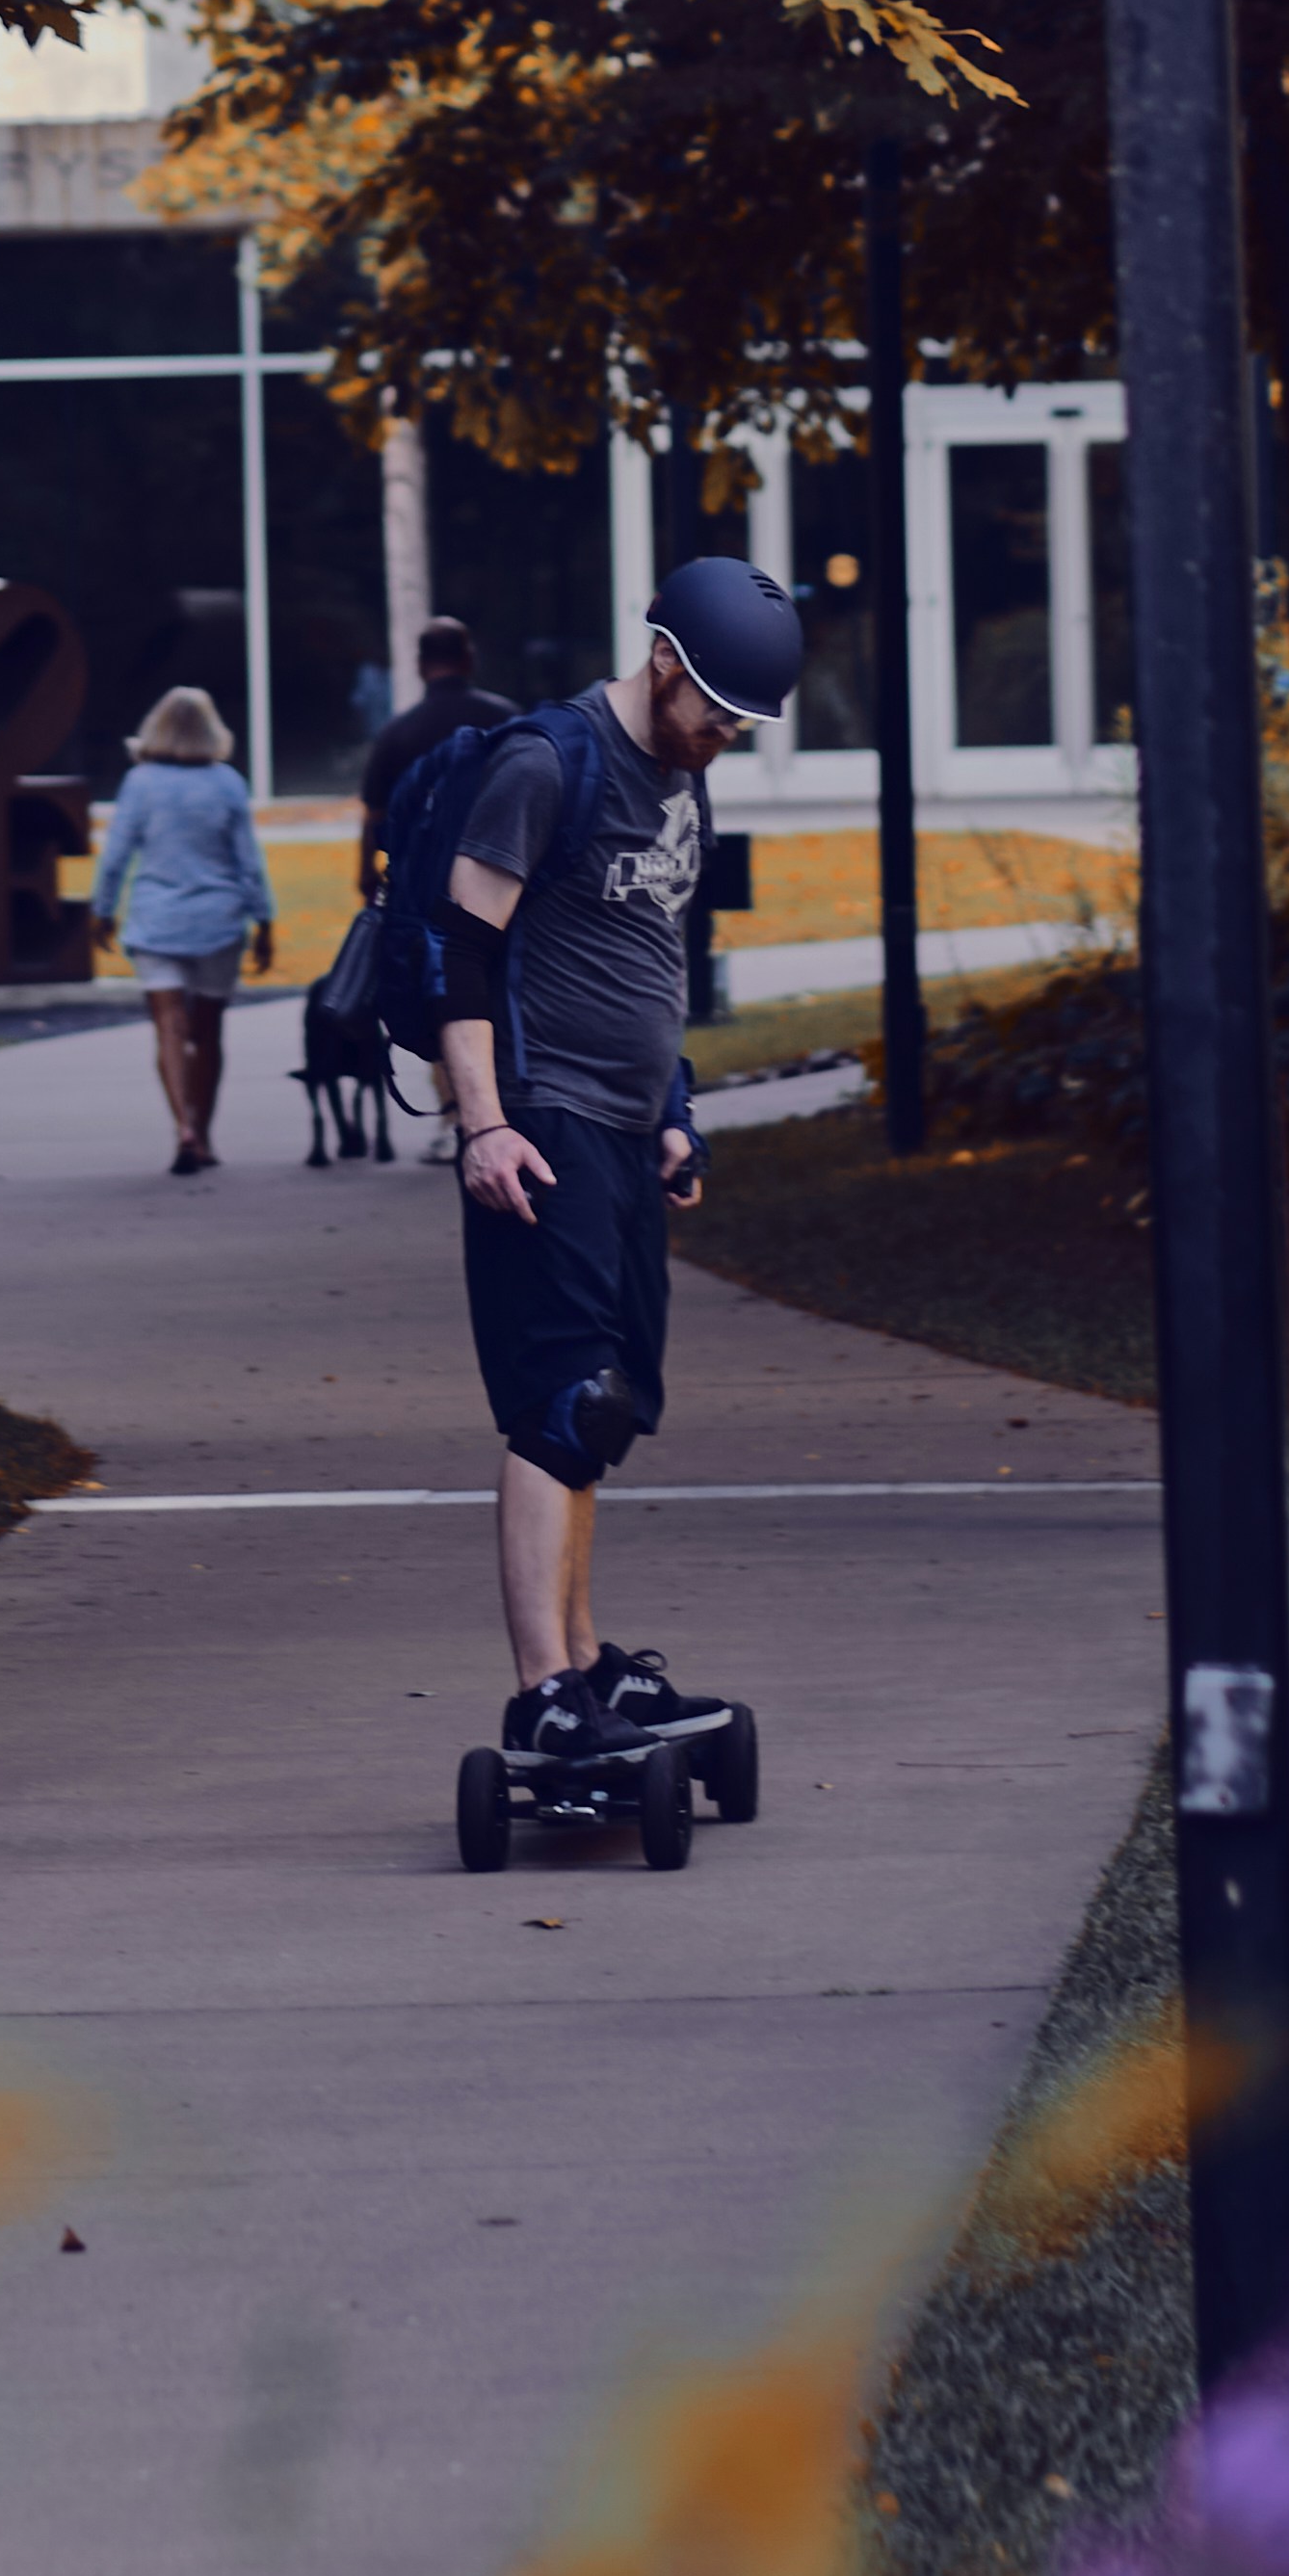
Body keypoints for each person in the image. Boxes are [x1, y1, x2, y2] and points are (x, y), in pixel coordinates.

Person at [433, 545, 803, 1765]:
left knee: (609, 1409)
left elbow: (651, 960)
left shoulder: (678, 778)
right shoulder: (548, 760)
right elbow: (464, 952)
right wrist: (483, 1123)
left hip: (626, 1130)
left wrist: (676, 1108)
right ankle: (544, 1690)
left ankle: (586, 1667)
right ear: (661, 663)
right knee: (560, 1399)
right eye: (718, 713)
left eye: (746, 725)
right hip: (542, 1117)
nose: (725, 739)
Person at [91, 683, 277, 1174]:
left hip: (156, 920)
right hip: (219, 919)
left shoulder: (141, 782)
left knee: (169, 1028)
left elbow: (115, 856)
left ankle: (184, 1128)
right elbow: (248, 862)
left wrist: (103, 910)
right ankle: (207, 1133)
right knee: (209, 1031)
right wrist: (264, 920)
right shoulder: (228, 783)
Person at [356, 614, 486, 893]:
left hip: (419, 882)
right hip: (492, 875)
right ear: (469, 660)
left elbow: (375, 813)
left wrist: (367, 870)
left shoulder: (396, 733)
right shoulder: (506, 720)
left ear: (420, 666)